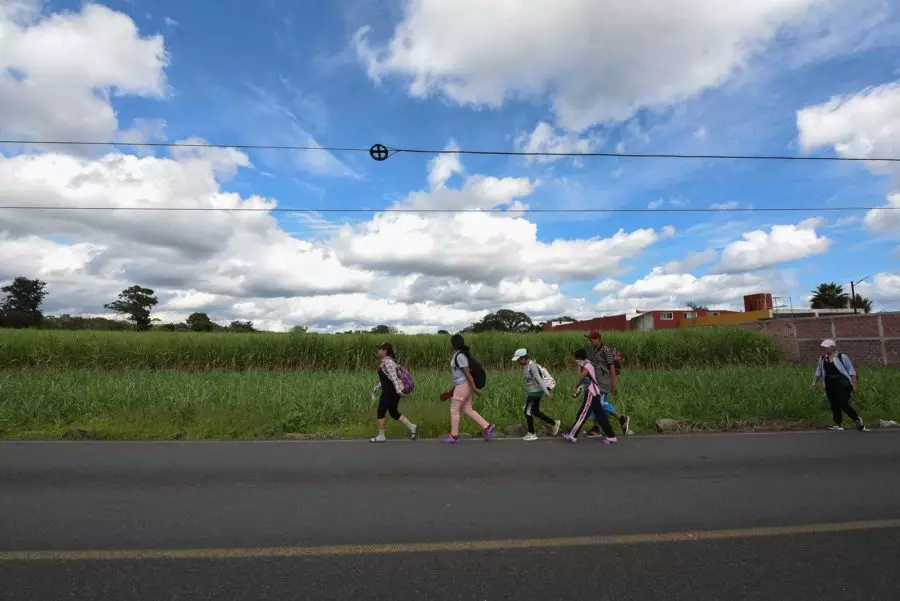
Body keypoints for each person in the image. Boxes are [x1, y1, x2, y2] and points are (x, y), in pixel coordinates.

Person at [442, 334, 496, 444]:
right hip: (463, 385)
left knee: (454, 410)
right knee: (467, 409)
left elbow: (467, 374)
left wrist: (474, 388)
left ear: (453, 344)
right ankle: (487, 426)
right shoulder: (459, 354)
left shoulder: (460, 356)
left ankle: (454, 436)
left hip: (463, 385)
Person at [810, 339, 868, 432]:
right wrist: (814, 382)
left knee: (843, 403)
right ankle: (837, 424)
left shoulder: (842, 357)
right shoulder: (822, 358)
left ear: (832, 347)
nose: (824, 349)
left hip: (843, 384)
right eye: (823, 347)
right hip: (830, 385)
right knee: (834, 405)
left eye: (826, 347)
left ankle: (857, 419)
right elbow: (819, 371)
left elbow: (851, 371)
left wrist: (855, 384)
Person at [563, 348, 617, 444]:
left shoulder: (587, 366)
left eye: (576, 359)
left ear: (579, 359)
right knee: (600, 416)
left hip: (592, 392)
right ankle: (611, 437)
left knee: (583, 414)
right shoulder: (588, 363)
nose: (575, 361)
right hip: (596, 393)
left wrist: (575, 387)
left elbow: (582, 377)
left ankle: (572, 435)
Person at [369, 342, 418, 443]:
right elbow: (387, 378)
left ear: (385, 351)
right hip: (390, 391)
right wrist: (377, 387)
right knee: (393, 413)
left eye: (379, 349)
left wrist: (398, 391)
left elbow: (394, 378)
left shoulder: (388, 362)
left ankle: (381, 436)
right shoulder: (386, 361)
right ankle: (412, 427)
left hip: (390, 392)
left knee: (380, 411)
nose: (378, 351)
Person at [512, 348, 561, 441]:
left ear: (524, 358)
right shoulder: (526, 366)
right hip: (533, 393)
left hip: (535, 393)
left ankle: (532, 434)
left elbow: (539, 380)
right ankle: (554, 423)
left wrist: (547, 392)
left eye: (518, 359)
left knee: (527, 411)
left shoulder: (532, 366)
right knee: (535, 412)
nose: (518, 362)